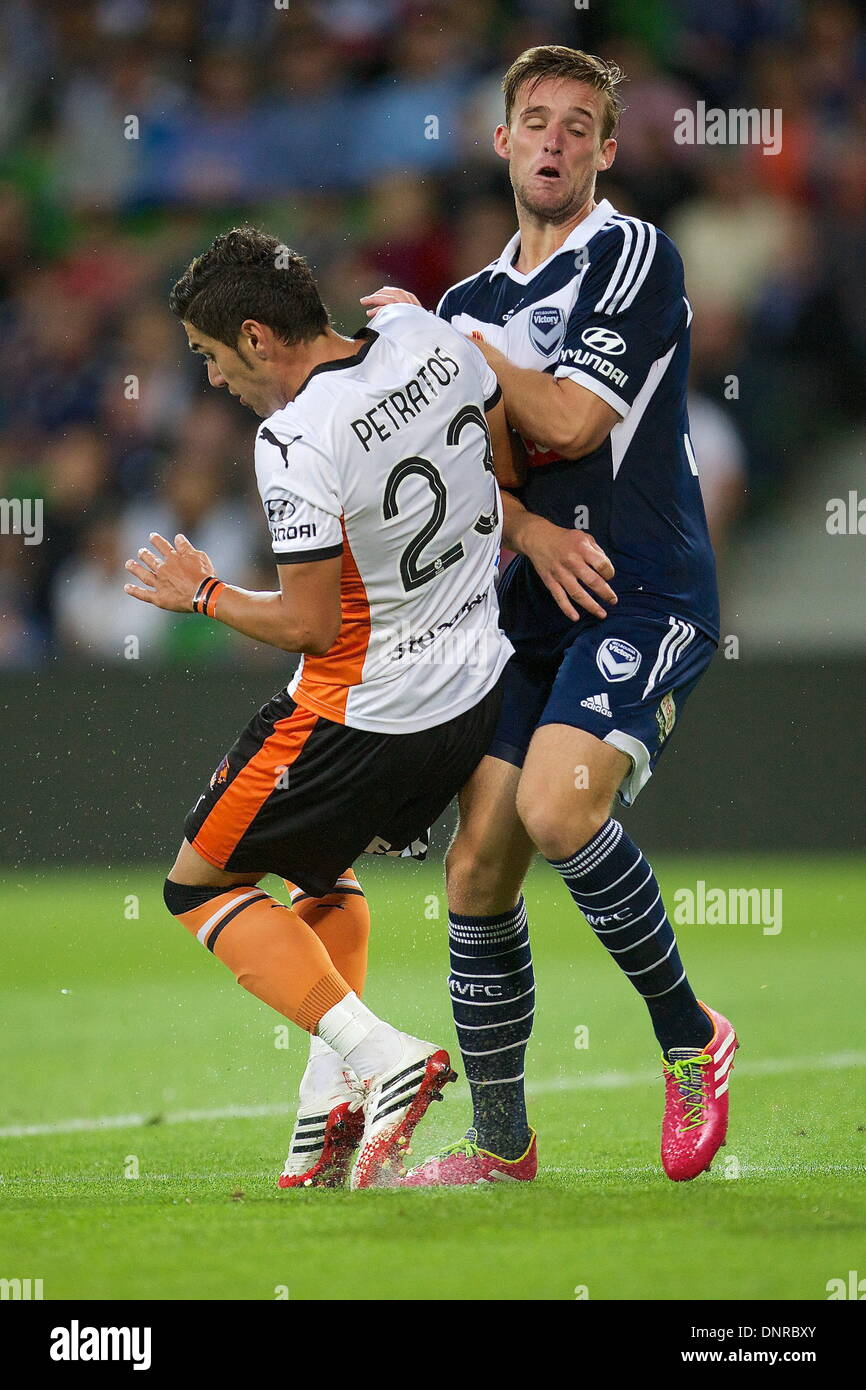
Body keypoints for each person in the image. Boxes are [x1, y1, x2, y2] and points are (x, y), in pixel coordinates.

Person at [362, 46, 737, 1187]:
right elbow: (474, 477)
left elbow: (571, 420)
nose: (554, 141)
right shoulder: (470, 300)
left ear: (606, 151)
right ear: (499, 141)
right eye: (535, 121)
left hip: (640, 589)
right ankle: (499, 1145)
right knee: (475, 870)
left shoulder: (629, 255)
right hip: (527, 607)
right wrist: (522, 530)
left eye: (579, 125)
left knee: (556, 805)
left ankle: (690, 1038)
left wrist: (448, 351)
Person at [123, 226, 517, 1189]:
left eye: (212, 358)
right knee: (321, 872)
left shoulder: (296, 437)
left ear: (259, 338)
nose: (214, 380)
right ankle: (323, 1104)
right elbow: (502, 452)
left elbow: (307, 622)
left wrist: (205, 596)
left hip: (360, 713)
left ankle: (383, 1058)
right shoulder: (424, 335)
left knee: (199, 883)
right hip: (472, 694)